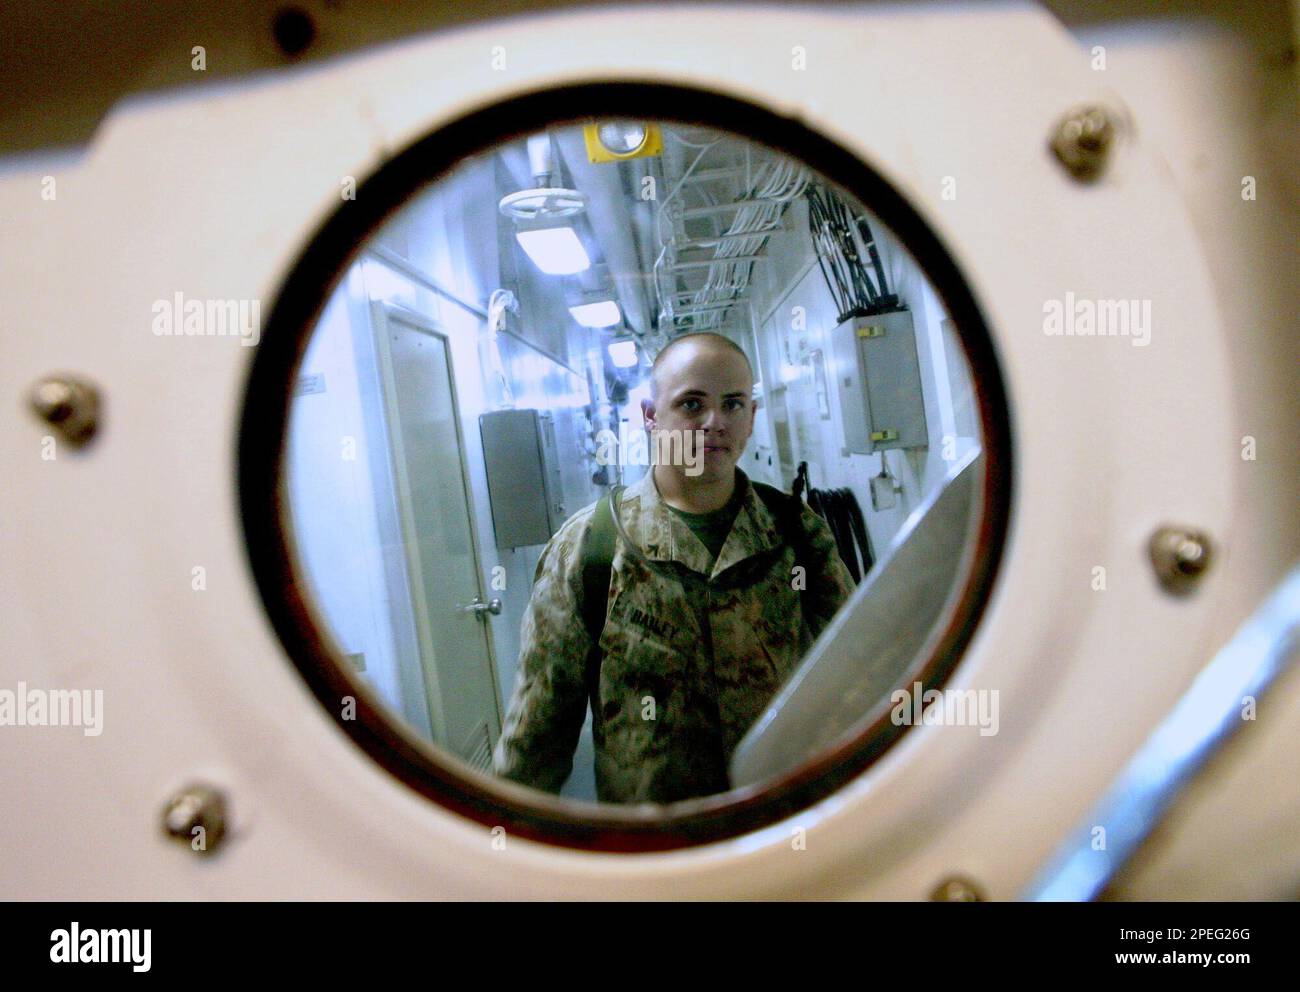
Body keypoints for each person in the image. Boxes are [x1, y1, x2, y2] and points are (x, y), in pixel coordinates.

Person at [492, 332, 855, 804]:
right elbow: (538, 729)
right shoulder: (591, 546)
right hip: (658, 846)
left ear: (751, 419)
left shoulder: (795, 532)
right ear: (650, 416)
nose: (715, 423)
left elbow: (853, 672)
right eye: (691, 404)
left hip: (783, 822)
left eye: (733, 404)